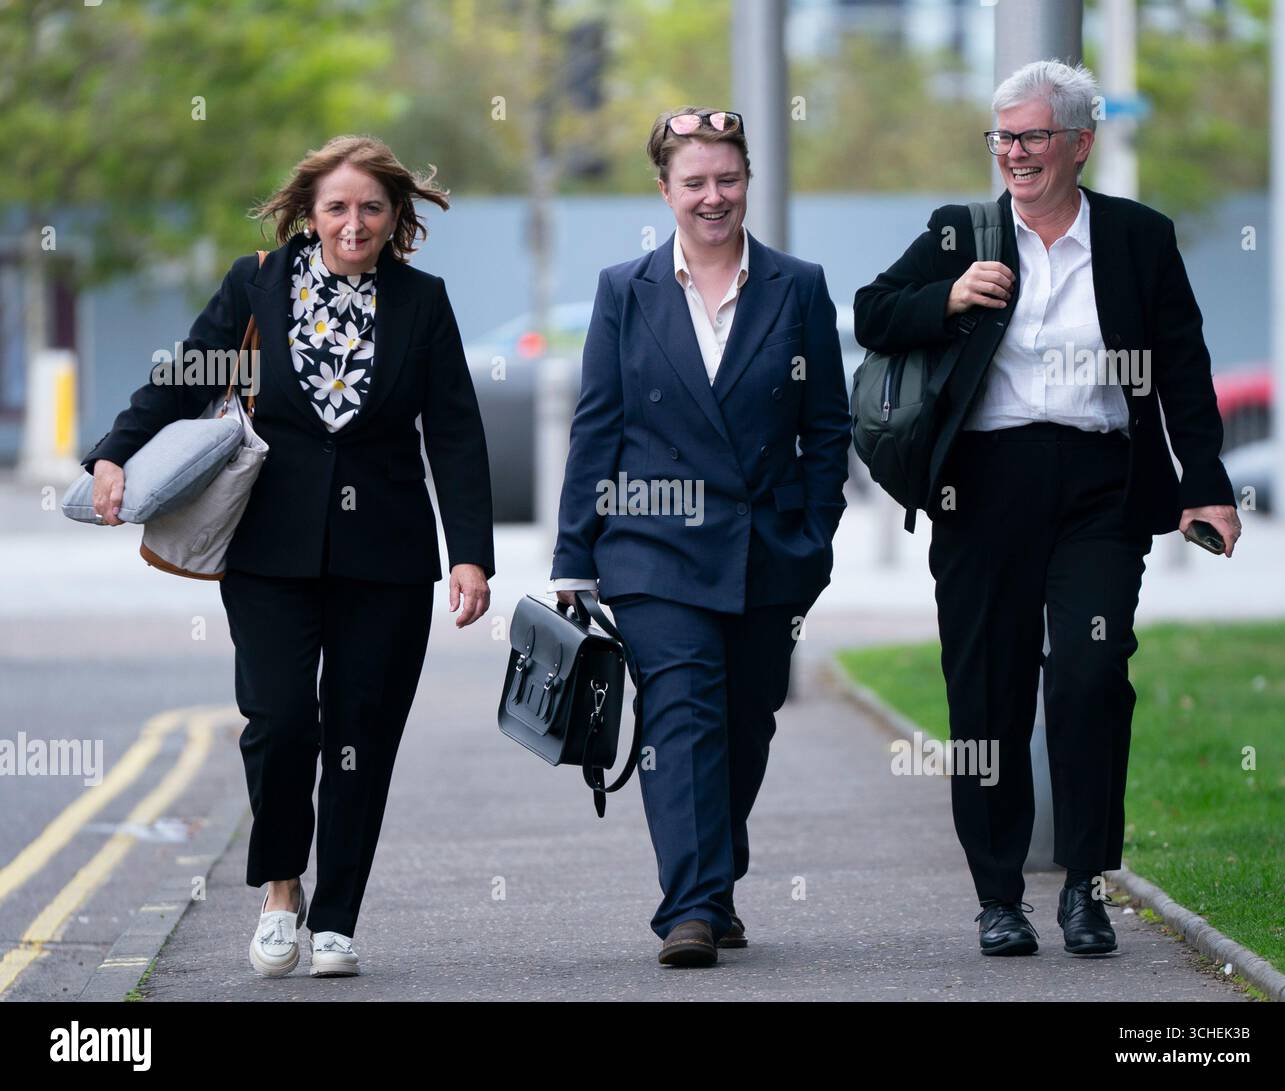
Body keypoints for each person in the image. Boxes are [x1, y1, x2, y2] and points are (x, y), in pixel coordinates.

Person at [82, 134, 494, 978]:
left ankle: (338, 917)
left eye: (371, 208)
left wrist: (471, 555)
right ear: (308, 212)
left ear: (394, 218)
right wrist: (113, 451)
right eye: (338, 206)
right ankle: (282, 889)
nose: (354, 222)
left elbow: (453, 431)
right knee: (277, 721)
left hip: (386, 555)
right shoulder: (255, 285)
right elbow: (184, 374)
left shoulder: (423, 303)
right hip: (270, 548)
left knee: (360, 733)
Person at [854, 61, 1240, 957]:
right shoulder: (963, 234)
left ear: (1080, 143)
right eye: (1002, 137)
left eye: (1031, 137)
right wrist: (946, 297)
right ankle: (997, 896)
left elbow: (1182, 365)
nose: (1014, 154)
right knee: (984, 690)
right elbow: (874, 313)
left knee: (1089, 677)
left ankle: (1083, 885)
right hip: (983, 487)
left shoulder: (1139, 237)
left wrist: (1207, 484)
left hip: (1100, 487)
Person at [551, 107, 850, 967]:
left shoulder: (797, 286)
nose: (712, 197)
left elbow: (827, 426)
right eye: (695, 183)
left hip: (767, 549)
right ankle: (690, 906)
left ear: (747, 180)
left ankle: (715, 877)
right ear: (664, 191)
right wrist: (576, 556)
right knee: (680, 713)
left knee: (746, 718)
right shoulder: (625, 289)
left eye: (727, 179)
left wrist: (814, 530)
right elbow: (596, 426)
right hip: (652, 547)